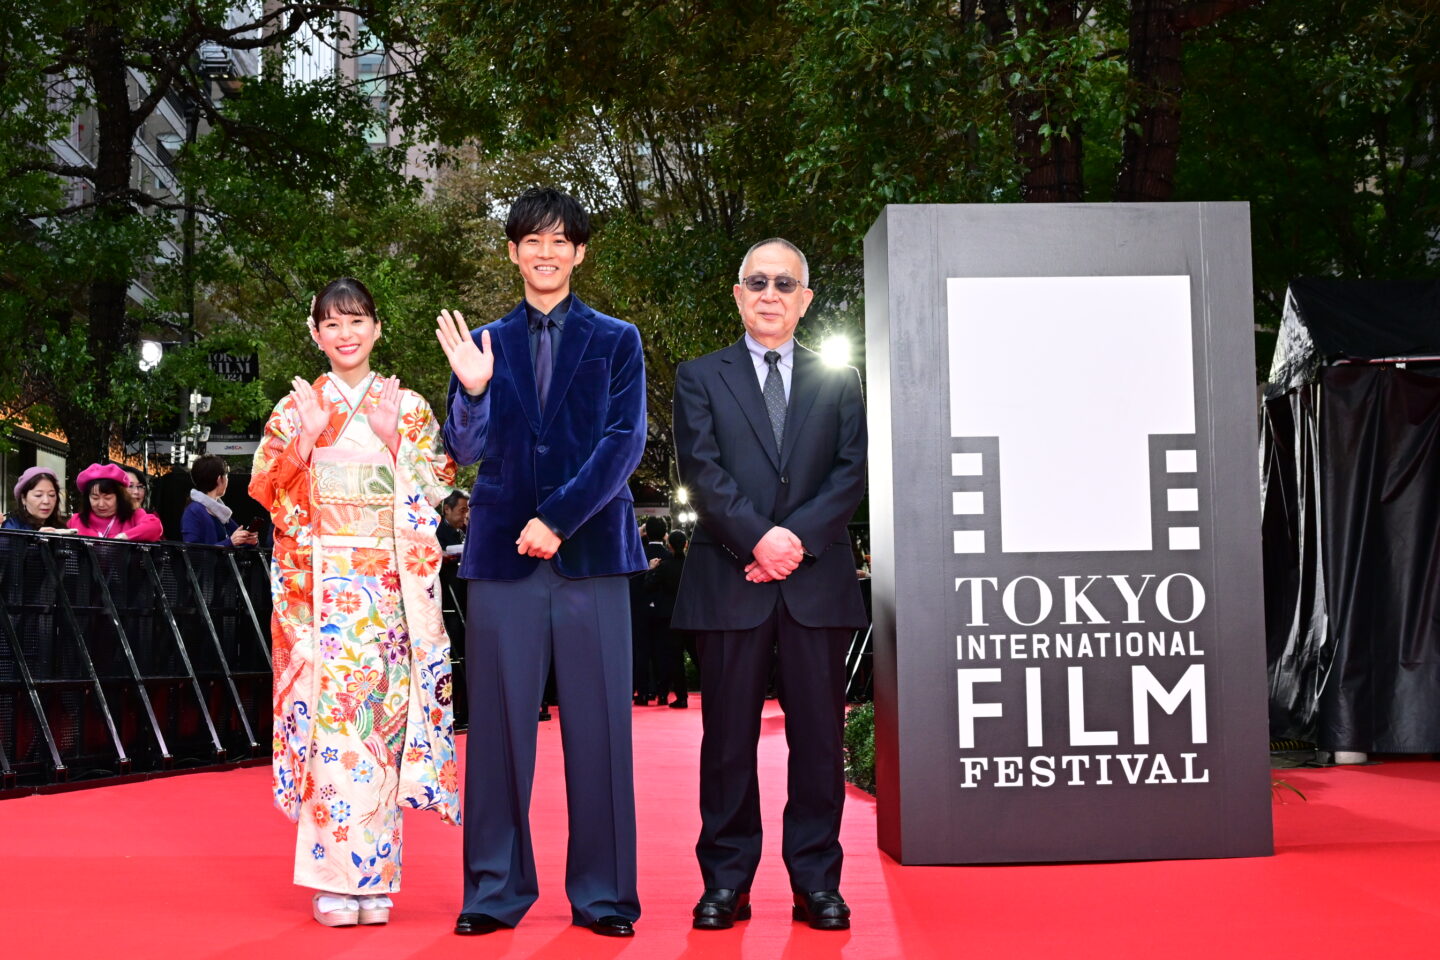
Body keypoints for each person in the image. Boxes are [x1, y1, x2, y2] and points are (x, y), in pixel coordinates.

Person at [436, 186, 647, 939]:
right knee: (497, 734)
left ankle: (605, 897)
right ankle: (493, 892)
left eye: (560, 240)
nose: (546, 252)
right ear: (513, 252)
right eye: (533, 240)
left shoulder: (618, 339)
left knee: (602, 733)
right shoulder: (484, 342)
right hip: (501, 561)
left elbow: (624, 442)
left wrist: (557, 519)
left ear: (579, 252)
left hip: (593, 555)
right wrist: (472, 393)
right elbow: (460, 451)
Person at [250, 277, 460, 928]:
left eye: (357, 321)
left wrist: (395, 441)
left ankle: (374, 877)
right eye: (332, 324)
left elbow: (439, 491)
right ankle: (333, 879)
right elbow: (267, 490)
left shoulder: (407, 406)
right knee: (330, 731)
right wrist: (306, 441)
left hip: (389, 595)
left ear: (377, 328)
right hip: (321, 596)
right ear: (315, 334)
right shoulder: (297, 407)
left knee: (380, 732)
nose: (346, 334)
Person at [671, 238, 868, 932]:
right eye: (757, 281)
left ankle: (817, 883)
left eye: (786, 284)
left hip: (816, 585)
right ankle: (726, 882)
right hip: (730, 581)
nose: (771, 294)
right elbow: (701, 469)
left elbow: (850, 471)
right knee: (727, 745)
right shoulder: (700, 376)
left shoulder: (841, 379)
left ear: (805, 299)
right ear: (738, 294)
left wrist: (793, 543)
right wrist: (758, 540)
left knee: (819, 744)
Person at [645, 528, 692, 708]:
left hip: (670, 617)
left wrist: (651, 570)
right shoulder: (692, 566)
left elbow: (648, 586)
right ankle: (716, 692)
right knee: (699, 657)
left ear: (669, 545)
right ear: (686, 544)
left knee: (674, 658)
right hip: (691, 616)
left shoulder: (664, 567)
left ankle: (680, 697)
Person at [631, 516, 671, 704]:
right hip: (664, 612)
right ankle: (662, 694)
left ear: (646, 533)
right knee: (662, 651)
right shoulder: (670, 556)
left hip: (640, 610)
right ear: (665, 534)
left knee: (641, 652)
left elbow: (632, 584)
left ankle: (643, 693)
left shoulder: (637, 554)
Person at [67, 463, 164, 541]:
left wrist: (125, 536)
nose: (101, 504)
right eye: (95, 498)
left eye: (108, 498)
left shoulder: (134, 516)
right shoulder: (76, 520)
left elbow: (155, 527)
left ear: (120, 497)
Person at [182, 454, 258, 546]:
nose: (227, 480)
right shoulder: (194, 510)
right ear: (219, 479)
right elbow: (192, 550)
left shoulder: (218, 509)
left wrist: (249, 541)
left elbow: (236, 540)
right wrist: (230, 542)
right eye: (226, 476)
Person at [3, 466, 67, 532]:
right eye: (38, 495)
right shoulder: (11, 527)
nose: (46, 501)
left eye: (51, 495)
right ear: (23, 498)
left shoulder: (61, 528)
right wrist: (38, 537)